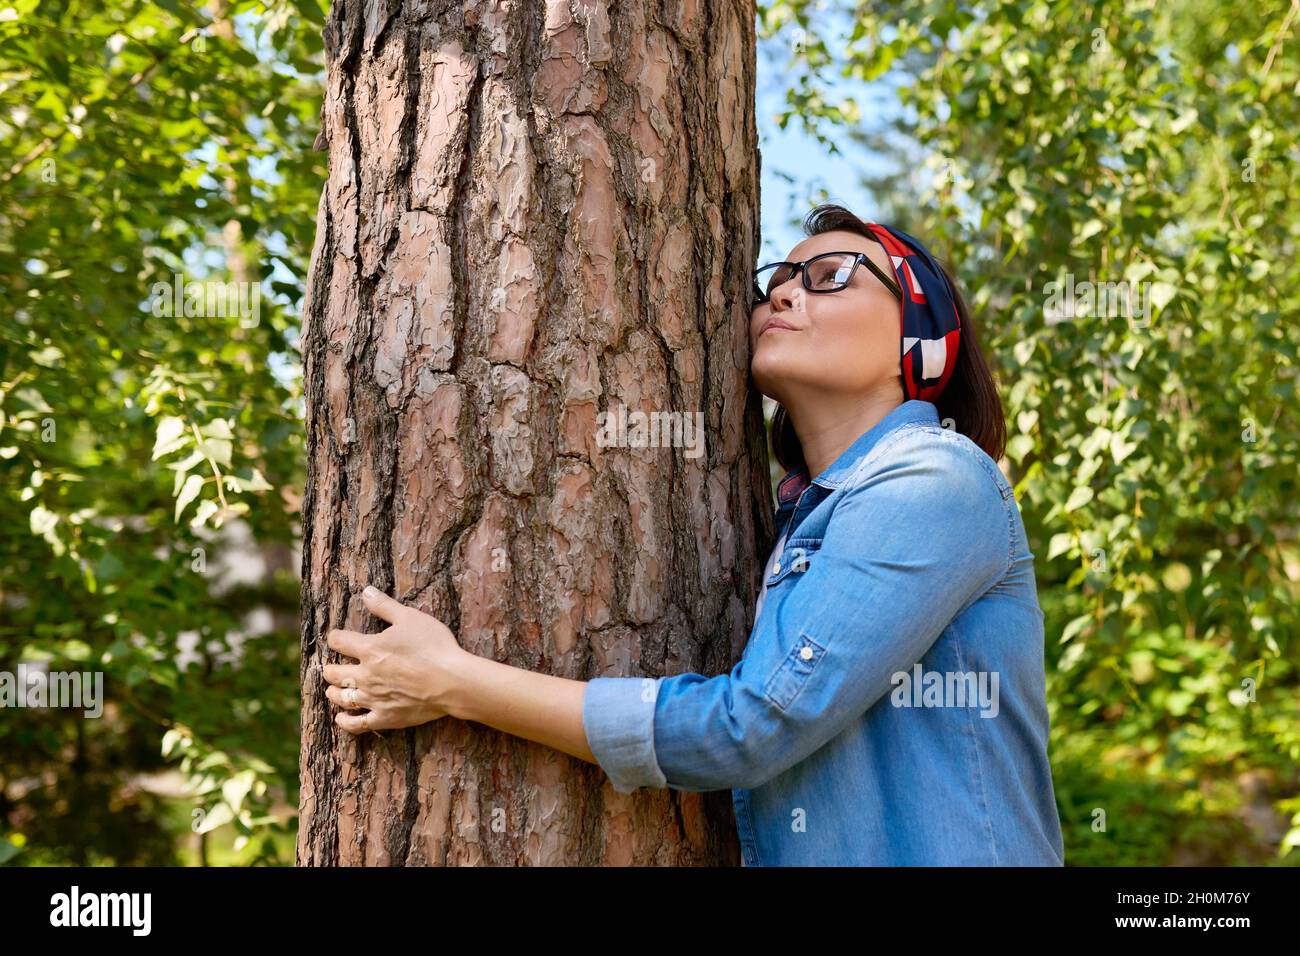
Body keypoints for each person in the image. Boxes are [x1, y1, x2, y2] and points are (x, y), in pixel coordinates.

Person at [322, 203, 1066, 866]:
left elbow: (752, 725)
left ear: (923, 336)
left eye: (832, 274)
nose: (783, 292)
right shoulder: (794, 517)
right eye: (780, 279)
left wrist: (453, 682)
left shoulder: (936, 479)